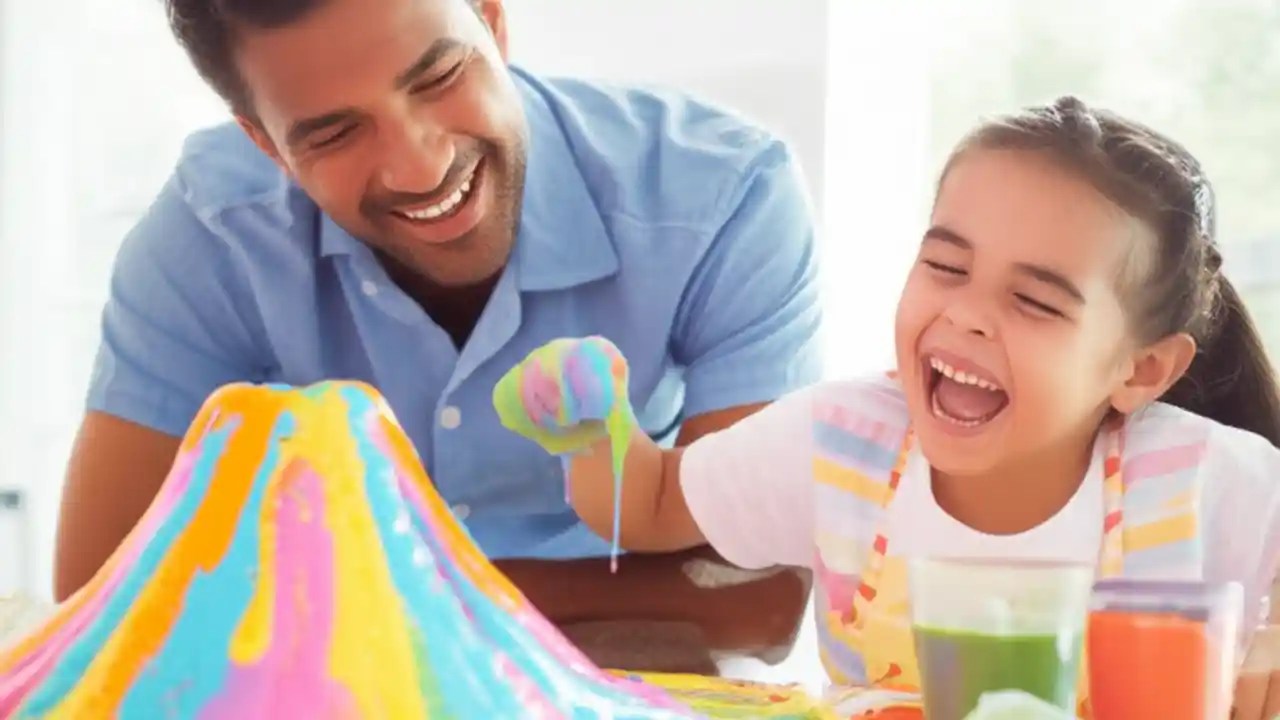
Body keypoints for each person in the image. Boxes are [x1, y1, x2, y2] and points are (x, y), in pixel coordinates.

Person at [54, 0, 822, 669]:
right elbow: (99, 607)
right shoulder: (213, 234)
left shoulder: (724, 198)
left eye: (437, 77)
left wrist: (353, 597)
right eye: (334, 134)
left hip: (629, 689)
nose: (420, 167)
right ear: (266, 144)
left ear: (491, 20)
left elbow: (760, 597)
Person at [514, 96, 1280, 716]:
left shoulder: (1197, 482)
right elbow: (645, 502)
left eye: (1034, 302)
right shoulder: (845, 443)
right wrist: (592, 430)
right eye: (946, 265)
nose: (967, 314)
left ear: (1141, 370)